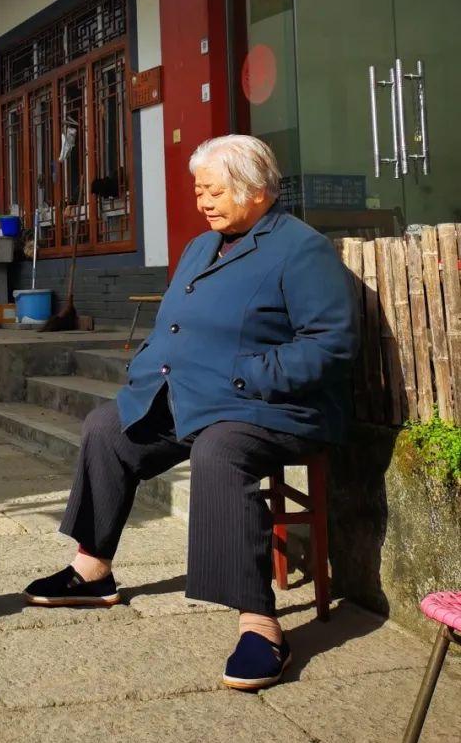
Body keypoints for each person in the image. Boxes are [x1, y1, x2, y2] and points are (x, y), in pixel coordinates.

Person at [24, 134, 360, 690]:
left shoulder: (301, 249)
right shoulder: (204, 246)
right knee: (107, 427)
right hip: (193, 395)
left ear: (255, 190)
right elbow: (173, 324)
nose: (202, 200)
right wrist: (148, 368)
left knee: (219, 450)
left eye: (214, 189)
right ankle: (92, 570)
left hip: (269, 406)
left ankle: (260, 625)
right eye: (198, 189)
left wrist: (246, 373)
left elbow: (331, 344)